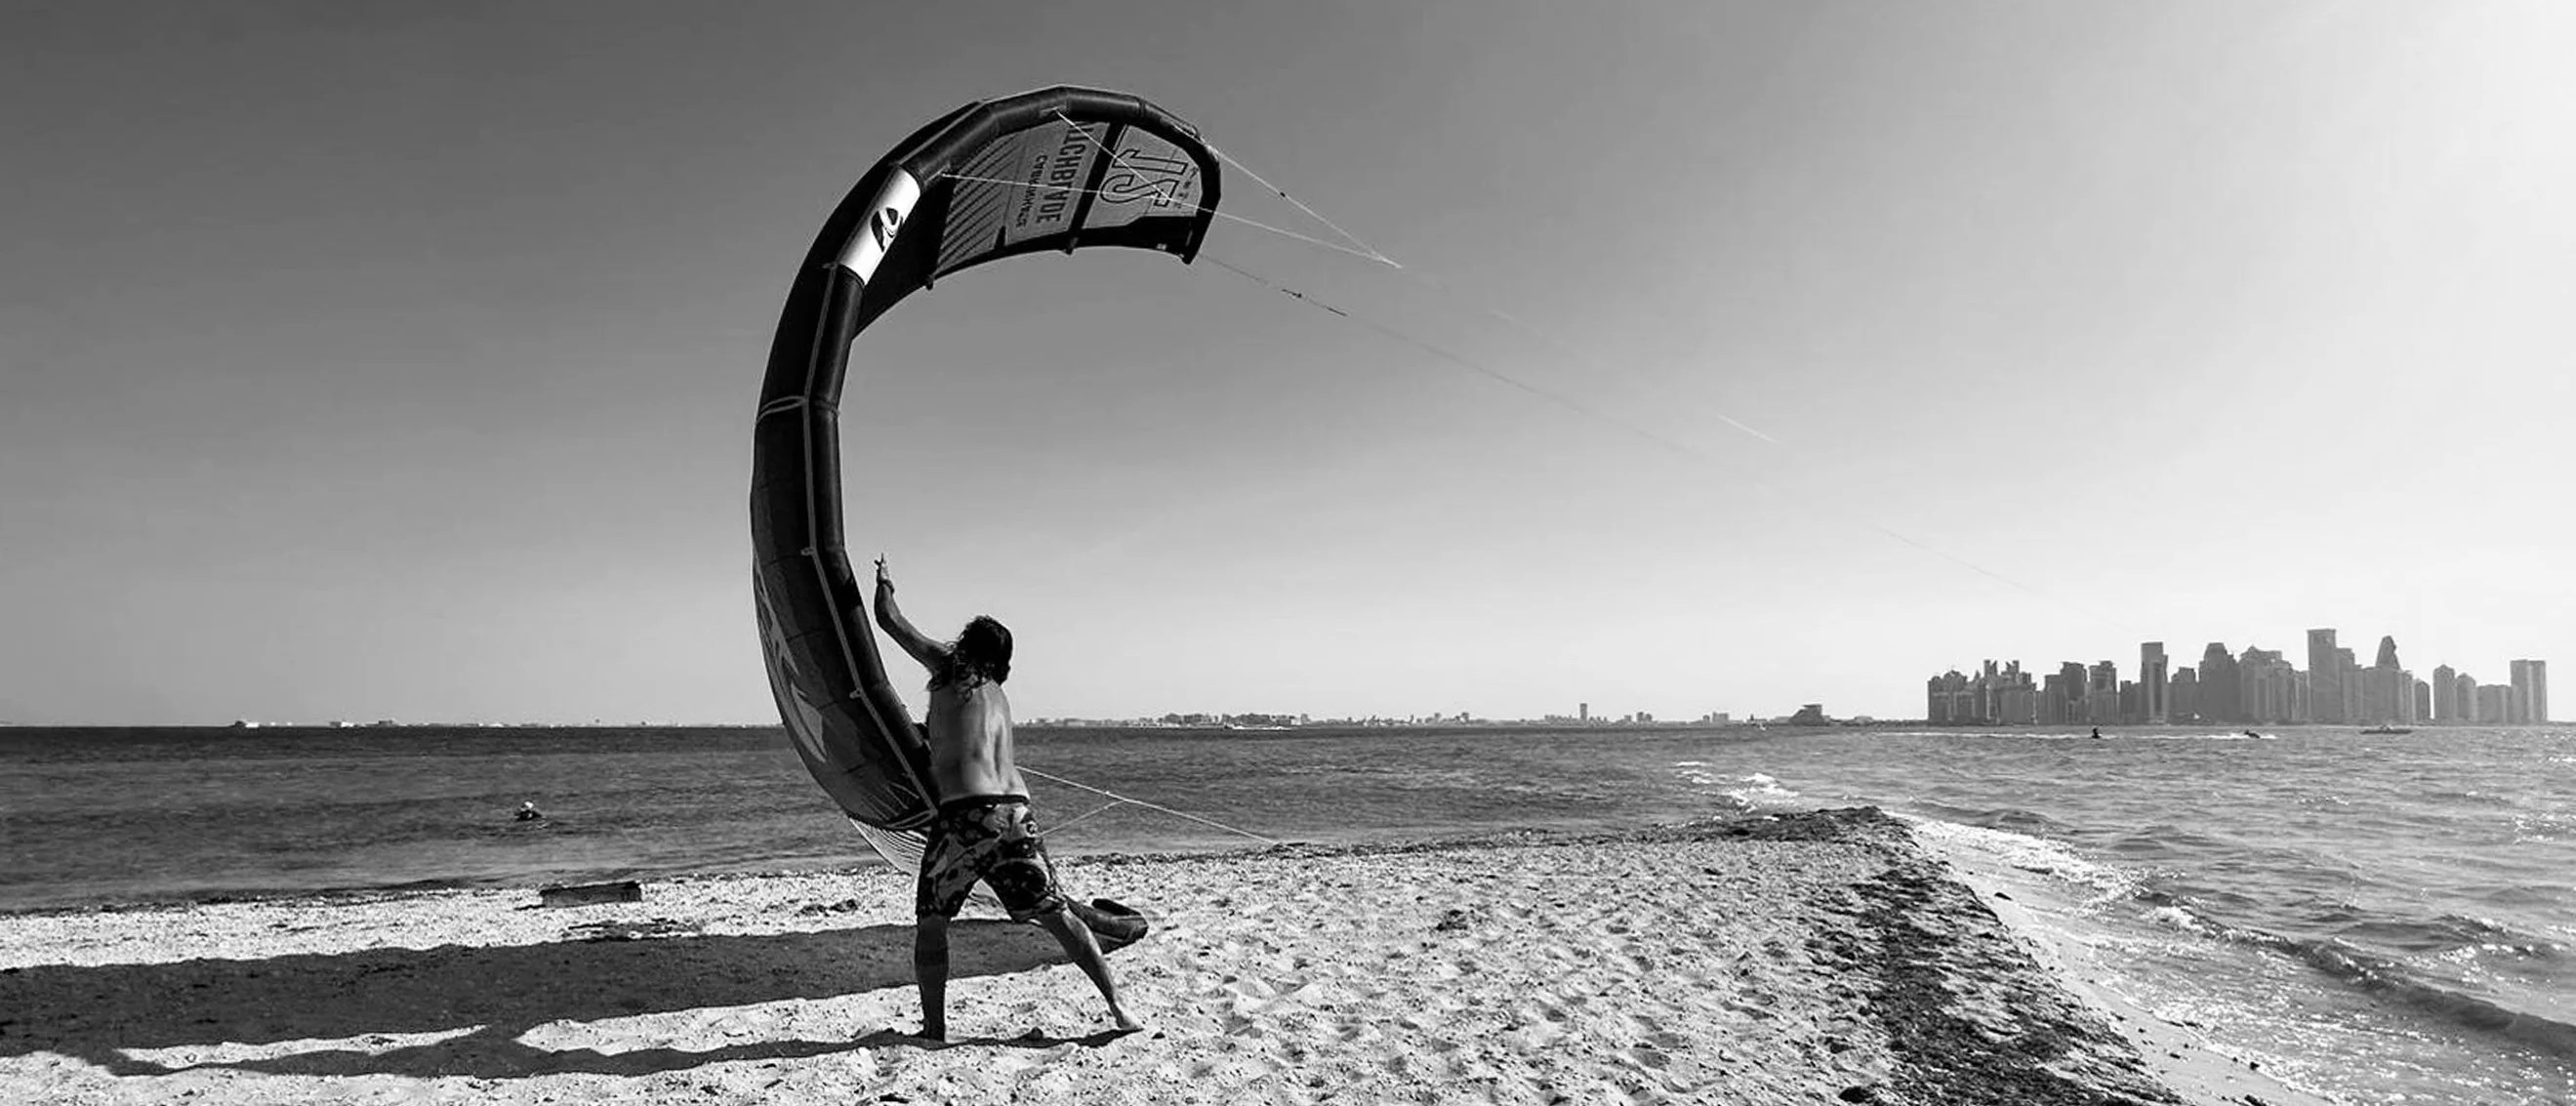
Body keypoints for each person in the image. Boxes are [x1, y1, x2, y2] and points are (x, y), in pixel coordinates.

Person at [872, 556, 1138, 1041]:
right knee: (1058, 915)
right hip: (1018, 813)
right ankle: (1121, 1008)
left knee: (931, 923)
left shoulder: (954, 669)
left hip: (966, 817)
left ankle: (934, 1029)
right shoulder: (999, 695)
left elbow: (889, 621)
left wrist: (883, 581)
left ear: (968, 646)